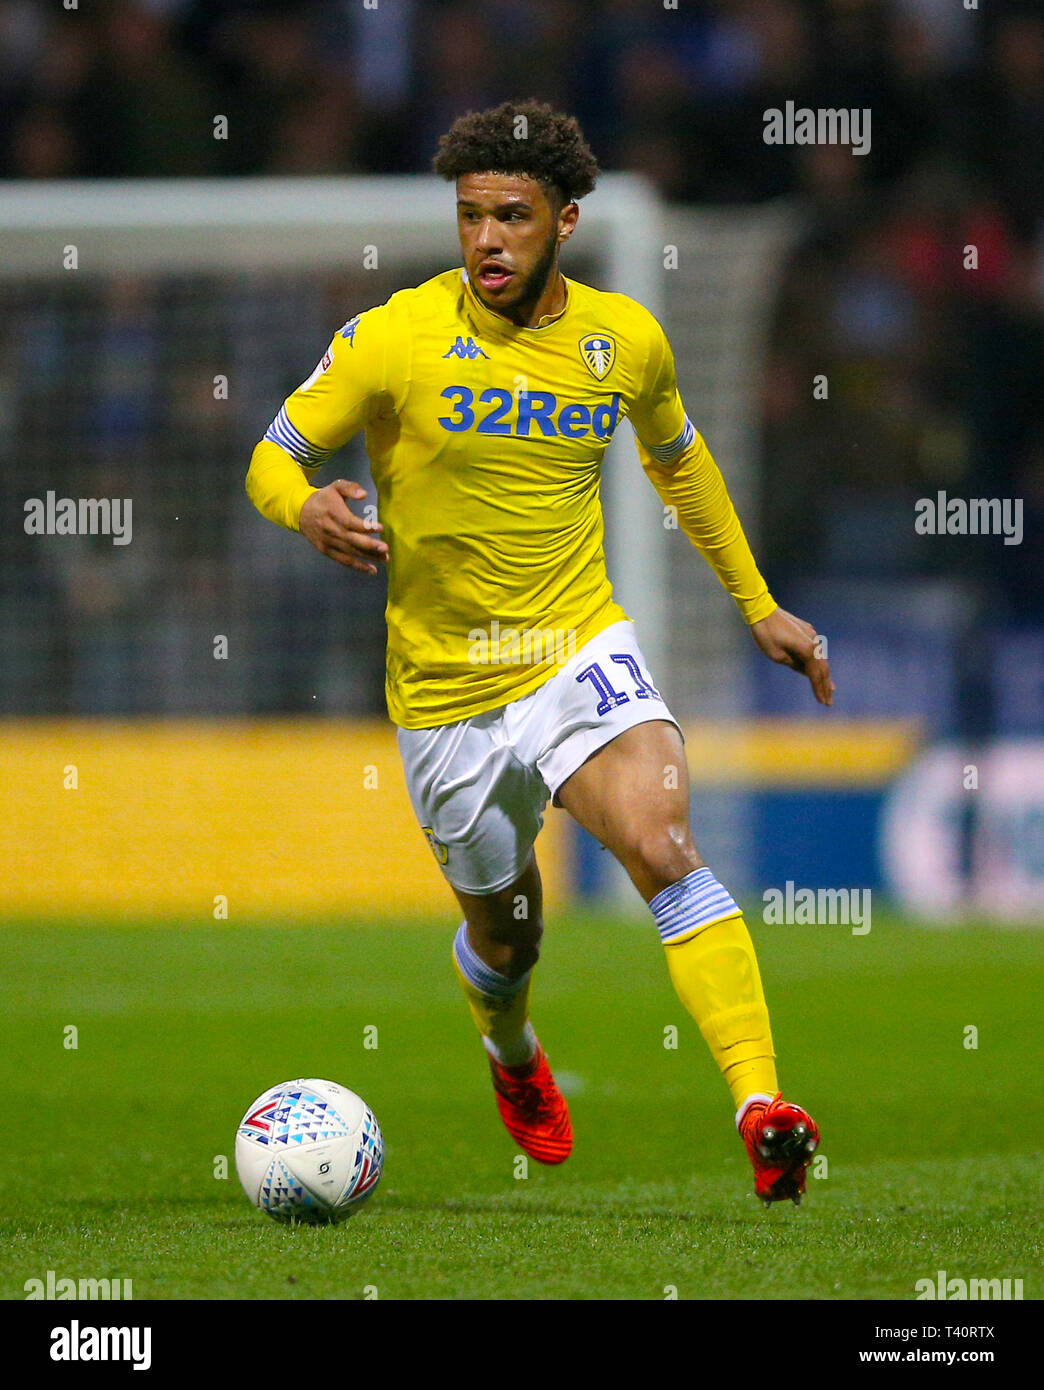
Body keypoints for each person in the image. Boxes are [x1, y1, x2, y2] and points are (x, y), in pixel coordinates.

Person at [246, 100, 833, 1204]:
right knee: (508, 939)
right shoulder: (394, 337)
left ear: (567, 217)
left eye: (512, 216)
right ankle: (511, 1048)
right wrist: (304, 508)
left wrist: (759, 605)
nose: (487, 241)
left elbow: (683, 467)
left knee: (664, 844)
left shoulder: (625, 342)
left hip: (574, 649)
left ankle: (761, 1104)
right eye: (470, 216)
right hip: (443, 695)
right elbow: (271, 455)